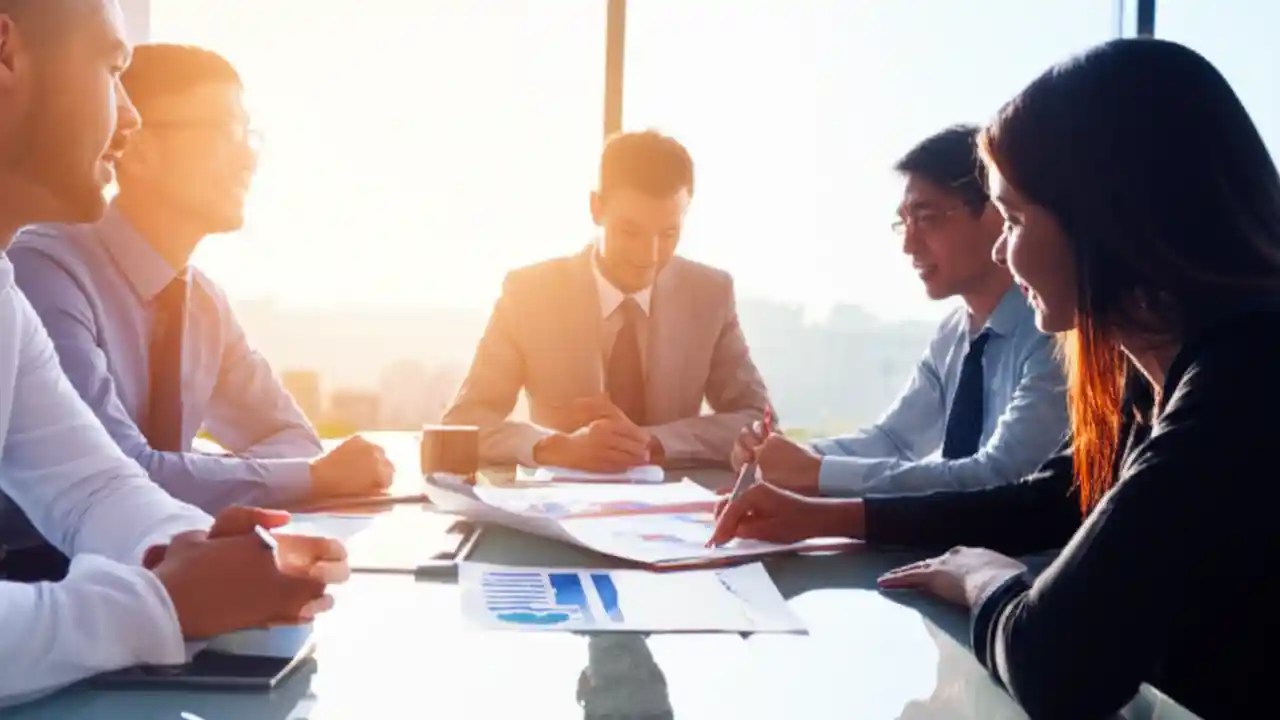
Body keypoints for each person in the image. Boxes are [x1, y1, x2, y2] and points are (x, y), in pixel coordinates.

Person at [711, 38, 1280, 719]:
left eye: (1012, 218)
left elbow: (1055, 665)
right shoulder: (1152, 369)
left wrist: (988, 579)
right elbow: (1055, 498)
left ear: (1104, 219)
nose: (1006, 251)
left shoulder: (1245, 381)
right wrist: (822, 515)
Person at [0, 0, 346, 706]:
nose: (128, 119)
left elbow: (92, 485)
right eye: (112, 70)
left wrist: (200, 549)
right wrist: (160, 603)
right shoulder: (47, 269)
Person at [4, 44, 393, 556]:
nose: (249, 156)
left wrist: (207, 475)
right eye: (226, 131)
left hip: (166, 571)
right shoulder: (45, 269)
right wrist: (307, 478)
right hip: (40, 582)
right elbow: (122, 476)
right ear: (137, 145)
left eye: (248, 133)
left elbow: (291, 437)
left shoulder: (202, 301)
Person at [731, 126, 1066, 497]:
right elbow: (895, 440)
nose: (909, 245)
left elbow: (1000, 475)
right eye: (904, 223)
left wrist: (818, 472)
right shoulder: (954, 333)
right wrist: (790, 456)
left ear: (995, 213)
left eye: (926, 219)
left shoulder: (1053, 332)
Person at [444, 131, 770, 471]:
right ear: (596, 207)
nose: (650, 255)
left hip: (674, 512)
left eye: (668, 234)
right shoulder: (529, 294)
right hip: (557, 509)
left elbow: (758, 422)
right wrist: (552, 447)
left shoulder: (710, 295)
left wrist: (654, 442)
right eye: (631, 232)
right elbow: (462, 424)